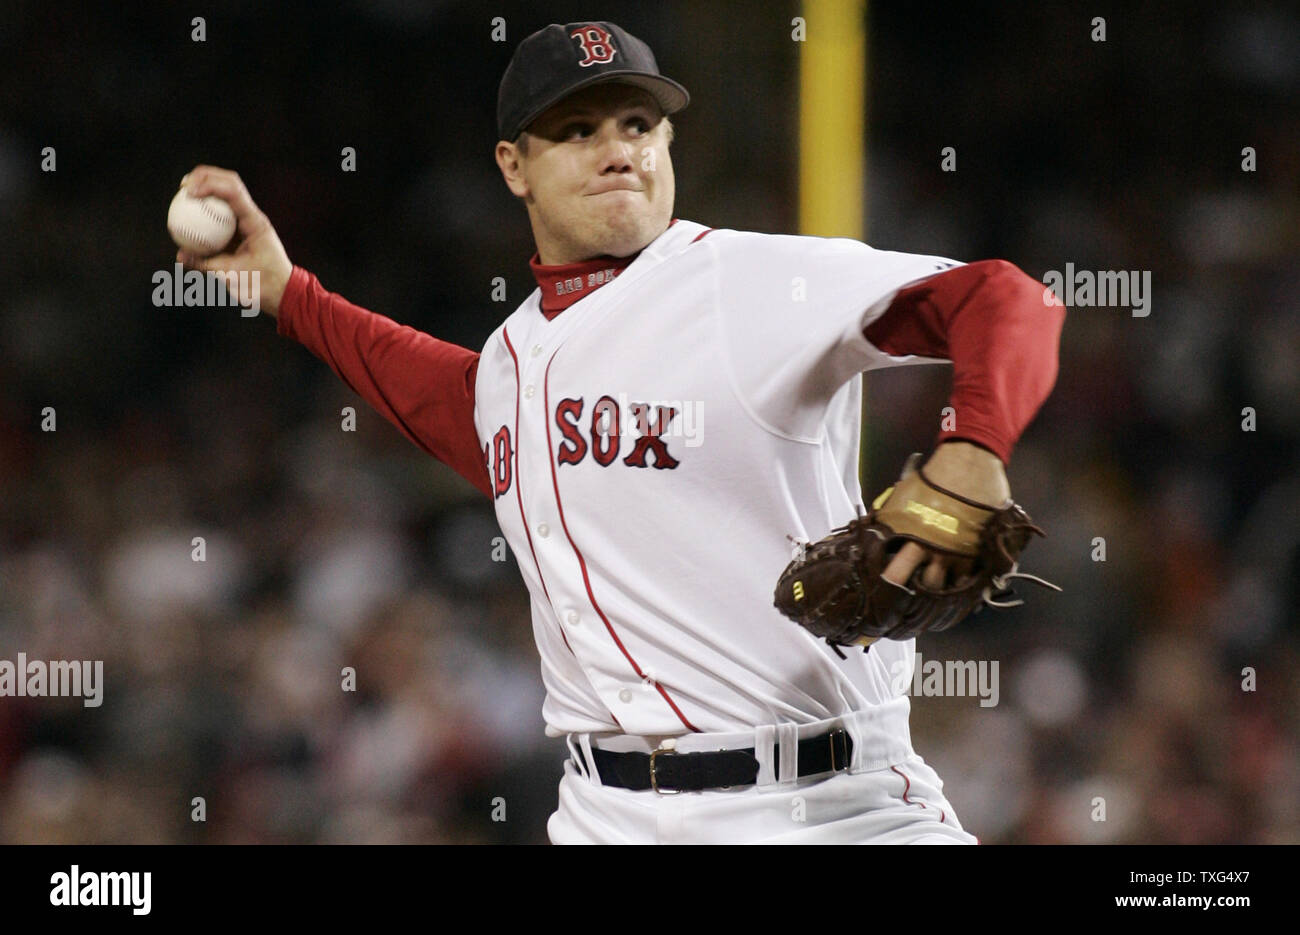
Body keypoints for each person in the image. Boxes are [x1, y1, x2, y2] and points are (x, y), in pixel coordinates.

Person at [177, 20, 1065, 844]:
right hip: (606, 815)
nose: (618, 151)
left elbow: (1006, 299)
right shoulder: (515, 358)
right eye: (577, 130)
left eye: (638, 124)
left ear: (667, 145)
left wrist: (972, 445)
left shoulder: (747, 282)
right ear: (513, 166)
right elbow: (459, 403)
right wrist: (290, 295)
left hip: (833, 808)